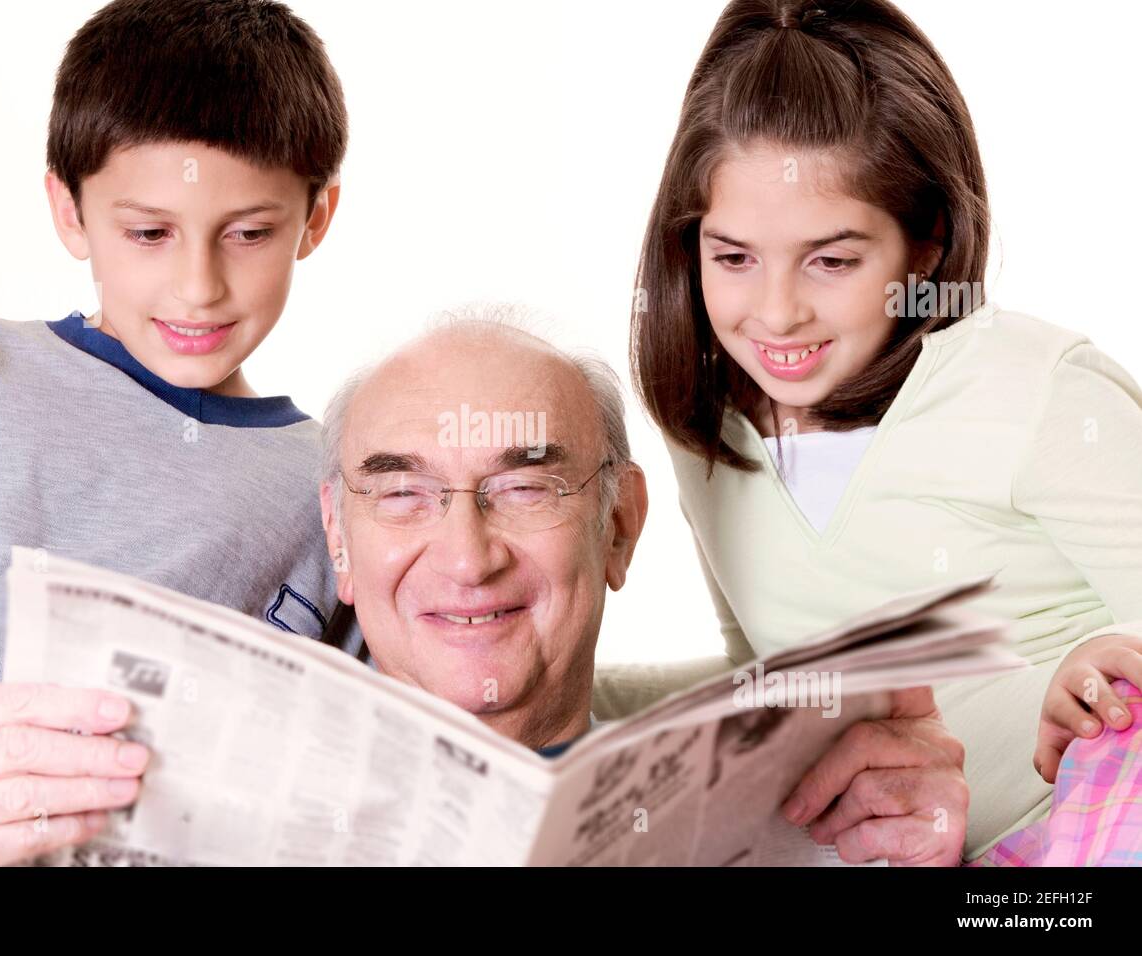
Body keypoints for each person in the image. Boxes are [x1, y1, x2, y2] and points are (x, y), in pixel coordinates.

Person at [619, 0, 1142, 864]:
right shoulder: (706, 436)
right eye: (734, 257)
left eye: (832, 260)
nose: (778, 315)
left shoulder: (1034, 391)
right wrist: (569, 711)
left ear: (925, 246)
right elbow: (774, 694)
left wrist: (1090, 674)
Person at [0, 0, 355, 867]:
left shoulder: (336, 485)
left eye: (249, 233)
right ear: (71, 212)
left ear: (315, 219)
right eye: (149, 232)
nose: (198, 287)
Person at [318, 306, 648, 754]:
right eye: (402, 493)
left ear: (620, 523)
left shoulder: (729, 812)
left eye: (525, 489)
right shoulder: (232, 812)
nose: (467, 562)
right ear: (338, 535)